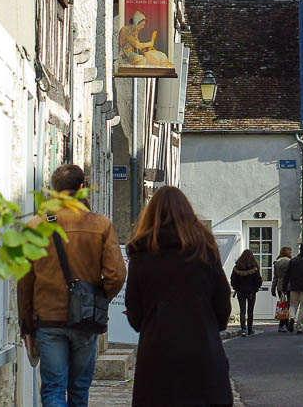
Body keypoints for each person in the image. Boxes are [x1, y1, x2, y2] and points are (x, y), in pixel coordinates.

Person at [17, 164, 126, 407]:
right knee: (78, 390)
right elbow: (116, 275)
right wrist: (96, 299)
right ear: (82, 188)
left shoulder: (36, 226)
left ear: (55, 192)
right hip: (86, 319)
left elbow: (25, 281)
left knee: (54, 388)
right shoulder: (101, 225)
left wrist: (26, 322)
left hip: (48, 319)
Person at [125, 185, 232, 407]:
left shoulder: (141, 254)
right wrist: (211, 324)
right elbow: (222, 300)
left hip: (157, 350)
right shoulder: (205, 251)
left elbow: (134, 311)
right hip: (202, 346)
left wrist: (152, 322)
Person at [230, 249, 263, 336]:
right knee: (250, 311)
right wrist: (256, 288)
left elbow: (233, 280)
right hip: (251, 291)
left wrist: (236, 288)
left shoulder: (237, 267)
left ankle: (243, 329)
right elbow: (258, 280)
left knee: (242, 311)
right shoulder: (254, 268)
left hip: (240, 291)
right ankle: (250, 329)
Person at [272, 246, 293, 332]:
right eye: (290, 252)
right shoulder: (290, 262)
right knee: (288, 305)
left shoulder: (277, 262)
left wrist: (273, 288)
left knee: (283, 305)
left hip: (280, 286)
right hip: (289, 285)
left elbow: (275, 277)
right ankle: (285, 324)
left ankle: (283, 324)